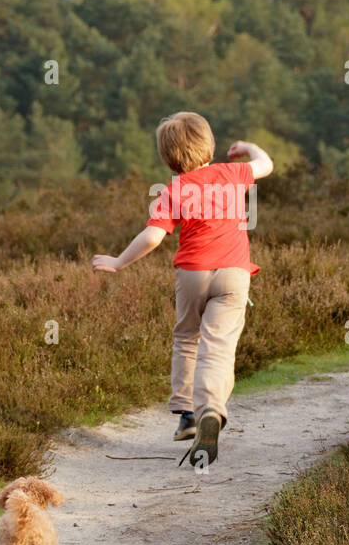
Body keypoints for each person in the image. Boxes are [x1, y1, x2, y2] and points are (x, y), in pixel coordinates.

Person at [91, 111, 273, 466]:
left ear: (169, 158)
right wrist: (248, 146)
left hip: (193, 274)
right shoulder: (233, 173)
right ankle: (211, 412)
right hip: (235, 274)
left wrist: (117, 262)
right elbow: (265, 163)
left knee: (187, 339)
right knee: (217, 349)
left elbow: (153, 236)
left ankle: (187, 415)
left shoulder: (173, 191)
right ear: (210, 145)